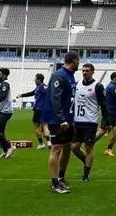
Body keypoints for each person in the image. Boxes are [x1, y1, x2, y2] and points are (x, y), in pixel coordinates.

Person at [44, 52, 79, 194]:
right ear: (73, 61)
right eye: (78, 61)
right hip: (58, 119)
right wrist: (61, 119)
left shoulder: (70, 76)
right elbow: (55, 99)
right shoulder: (59, 75)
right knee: (56, 148)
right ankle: (54, 184)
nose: (79, 64)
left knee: (67, 147)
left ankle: (61, 178)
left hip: (68, 118)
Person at [71, 63, 108, 182]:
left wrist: (105, 121)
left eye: (87, 70)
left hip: (90, 121)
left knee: (88, 147)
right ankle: (86, 162)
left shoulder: (97, 86)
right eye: (83, 70)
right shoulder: (77, 85)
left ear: (93, 72)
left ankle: (86, 174)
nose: (85, 72)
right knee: (75, 148)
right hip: (77, 121)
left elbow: (104, 105)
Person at [17, 73, 50, 149]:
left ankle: (41, 144)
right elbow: (32, 93)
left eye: (35, 79)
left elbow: (48, 93)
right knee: (45, 125)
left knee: (36, 126)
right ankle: (49, 142)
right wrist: (21, 95)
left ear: (39, 79)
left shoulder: (41, 87)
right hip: (45, 109)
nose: (34, 80)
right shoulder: (39, 87)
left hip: (39, 109)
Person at [0, 68, 16, 159]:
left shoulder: (5, 84)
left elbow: (3, 96)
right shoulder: (2, 84)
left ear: (4, 75)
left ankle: (10, 146)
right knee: (0, 132)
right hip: (2, 110)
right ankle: (5, 151)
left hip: (5, 111)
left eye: (0, 74)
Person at [96, 72, 116, 156]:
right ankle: (88, 145)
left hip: (115, 112)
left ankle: (109, 149)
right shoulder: (112, 87)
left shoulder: (114, 87)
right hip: (109, 113)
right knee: (103, 131)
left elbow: (115, 100)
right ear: (114, 78)